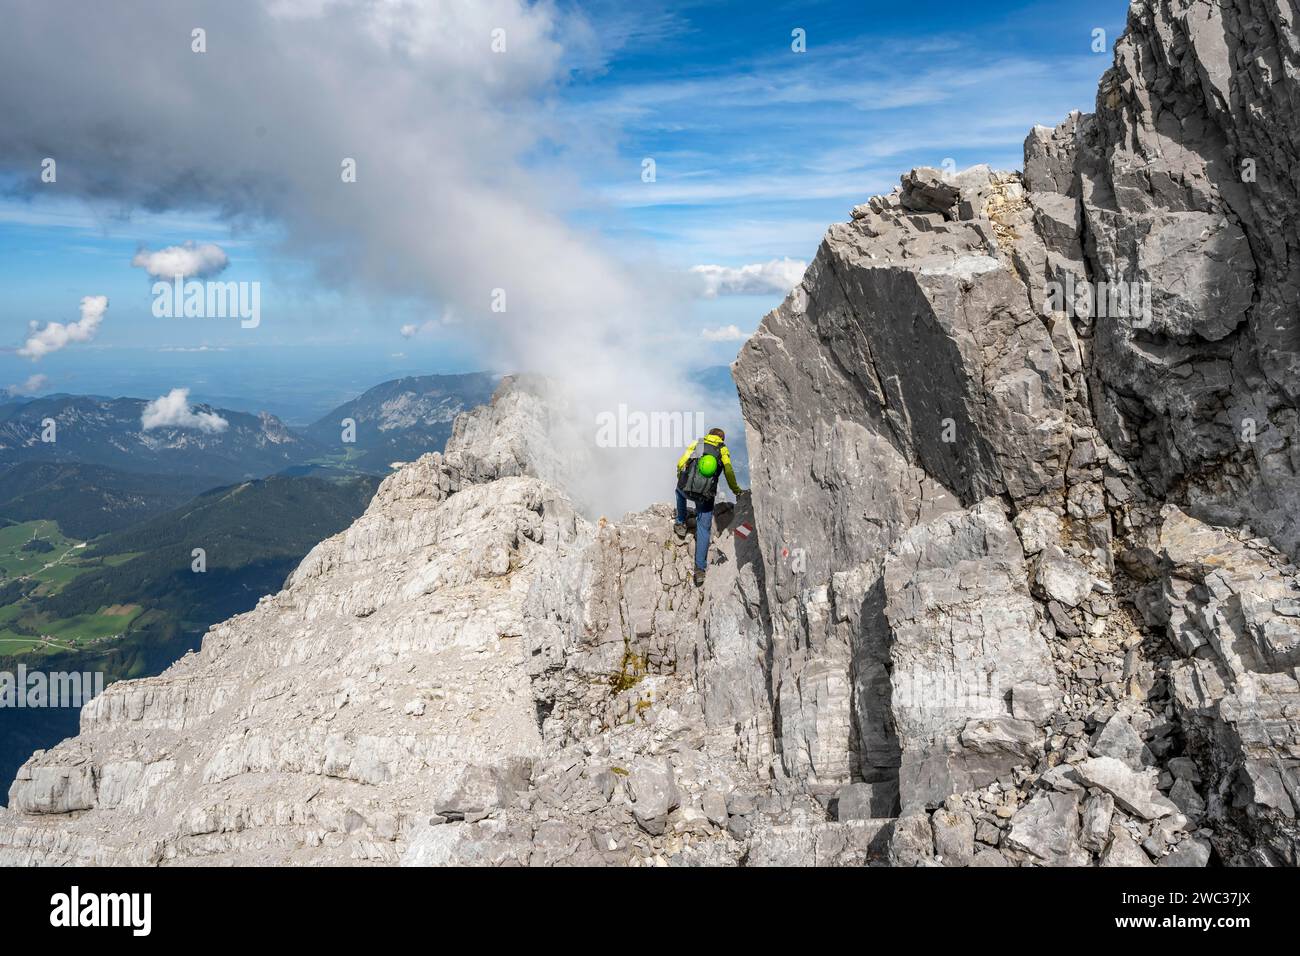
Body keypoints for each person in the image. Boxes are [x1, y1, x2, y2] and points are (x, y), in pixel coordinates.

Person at [675, 427, 744, 586]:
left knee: (678, 493)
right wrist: (736, 491)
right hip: (705, 497)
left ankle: (680, 522)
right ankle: (700, 569)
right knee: (703, 529)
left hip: (686, 489)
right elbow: (728, 472)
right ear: (722, 439)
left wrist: (682, 479)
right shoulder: (723, 450)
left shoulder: (698, 443)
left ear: (709, 434)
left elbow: (681, 463)